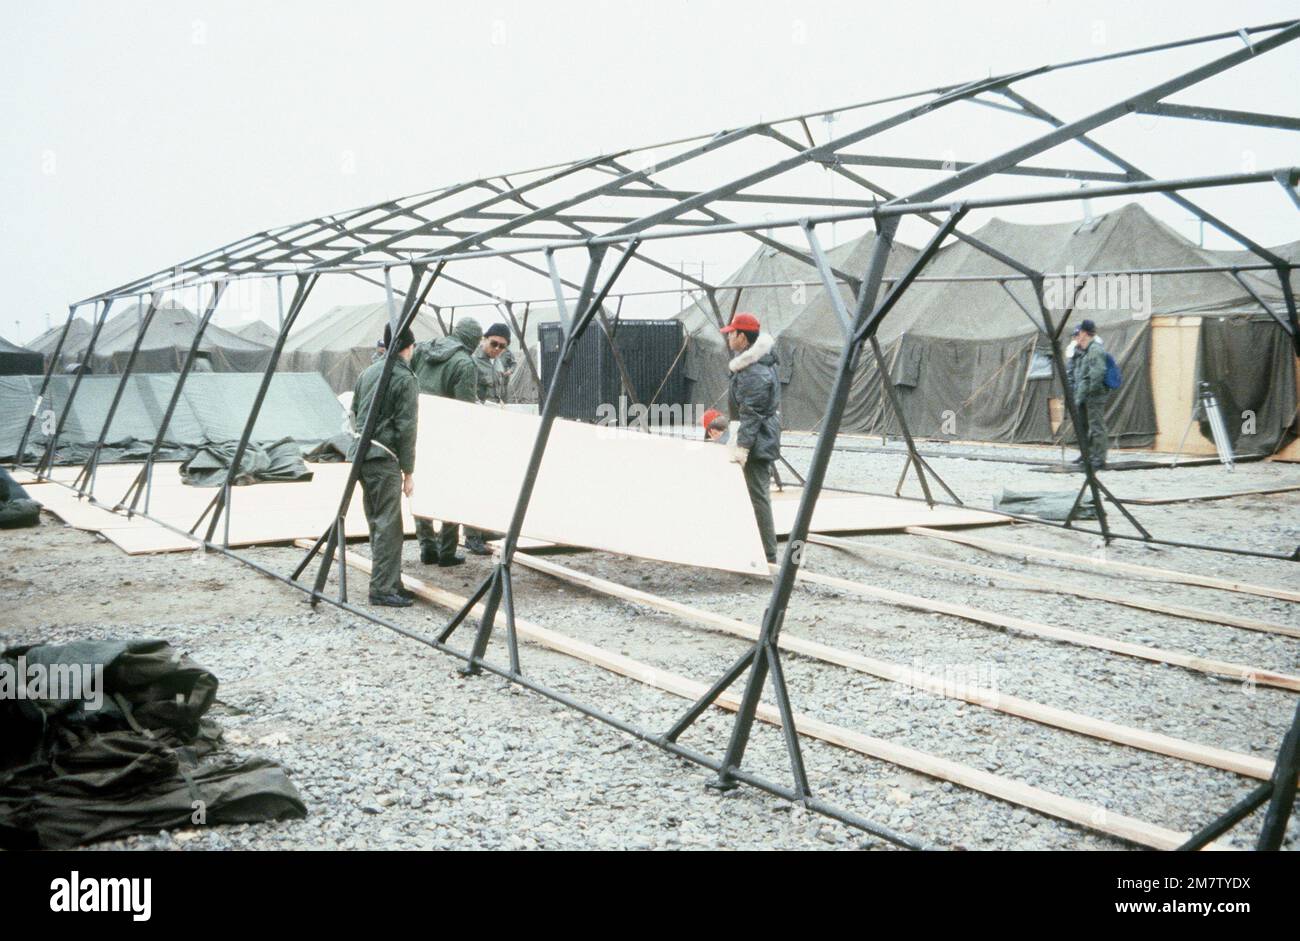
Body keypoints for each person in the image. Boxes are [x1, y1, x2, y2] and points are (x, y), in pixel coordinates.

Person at [349, 324, 419, 607]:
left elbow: (354, 410)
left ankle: (391, 582)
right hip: (383, 456)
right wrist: (408, 471)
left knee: (379, 521)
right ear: (409, 347)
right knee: (389, 526)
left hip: (362, 454)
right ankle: (382, 588)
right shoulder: (404, 378)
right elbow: (406, 427)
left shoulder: (369, 372)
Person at [410, 316, 483, 565]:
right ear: (473, 340)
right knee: (452, 490)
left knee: (420, 488)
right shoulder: (465, 363)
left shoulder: (424, 349)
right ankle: (447, 552)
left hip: (417, 430)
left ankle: (427, 547)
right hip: (447, 436)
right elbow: (465, 410)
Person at [721, 312, 781, 564]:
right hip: (760, 436)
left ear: (742, 338)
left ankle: (768, 554)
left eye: (732, 334)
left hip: (758, 441)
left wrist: (743, 447)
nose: (729, 338)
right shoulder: (754, 365)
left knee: (757, 496)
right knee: (753, 494)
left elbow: (752, 414)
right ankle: (753, 545)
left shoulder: (754, 372)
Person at [1072, 319, 1109, 471]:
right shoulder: (1086, 350)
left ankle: (1099, 458)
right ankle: (1087, 454)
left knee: (1096, 426)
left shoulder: (1095, 349)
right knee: (1084, 426)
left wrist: (1092, 391)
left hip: (1093, 395)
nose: (1077, 336)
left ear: (1084, 333)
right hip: (1085, 394)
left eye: (1079, 333)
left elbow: (1098, 372)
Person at [473, 323, 513, 405]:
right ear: (484, 339)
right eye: (494, 344)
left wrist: (499, 401)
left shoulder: (497, 361)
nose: (497, 348)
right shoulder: (472, 359)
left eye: (502, 346)